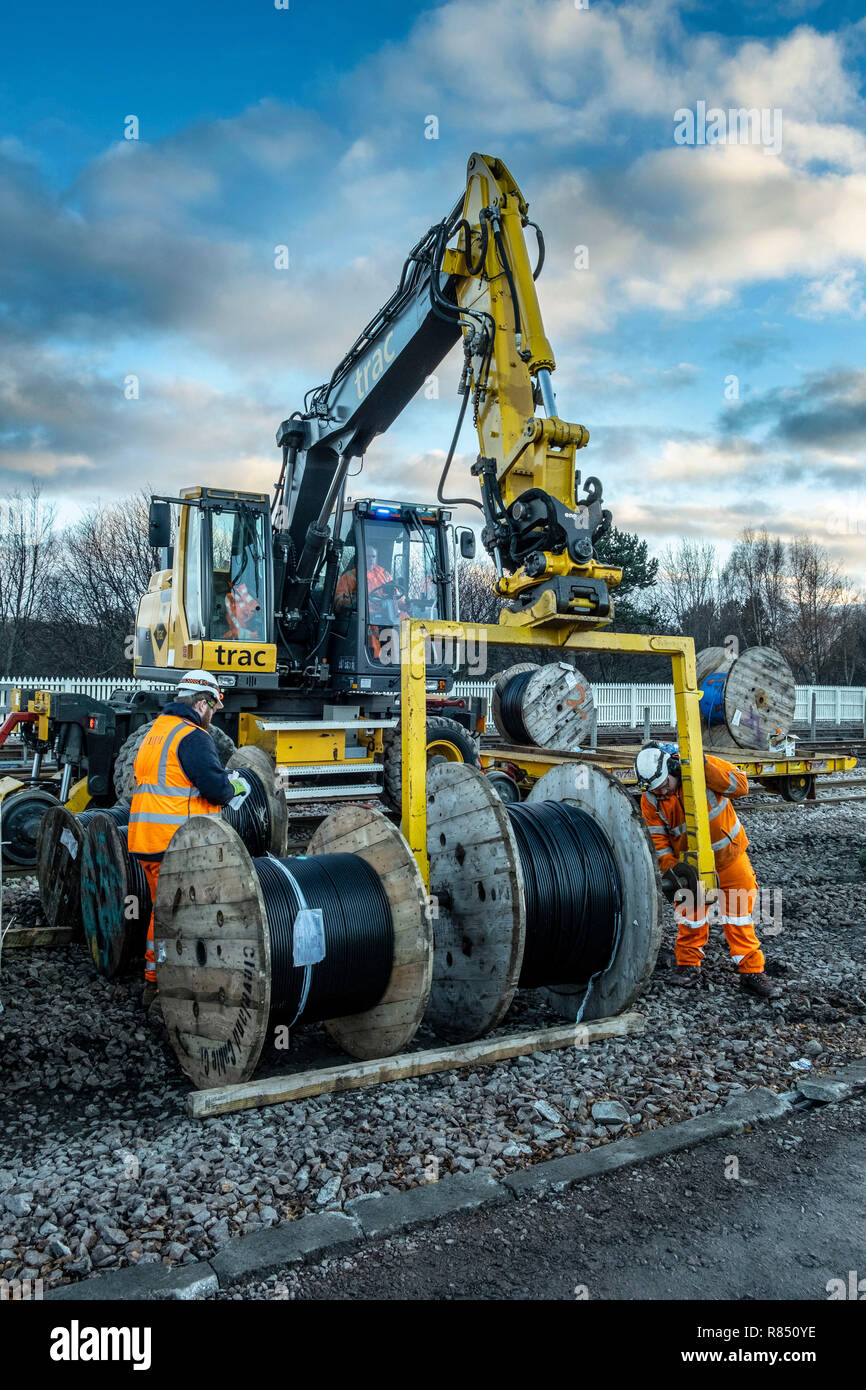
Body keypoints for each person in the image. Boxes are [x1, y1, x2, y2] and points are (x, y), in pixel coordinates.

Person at [128, 671, 247, 1009]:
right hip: (176, 846)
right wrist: (233, 787)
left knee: (162, 912)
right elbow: (214, 787)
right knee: (182, 918)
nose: (213, 716)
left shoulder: (155, 733)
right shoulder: (193, 736)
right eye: (213, 708)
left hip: (147, 840)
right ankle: (171, 991)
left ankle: (154, 984)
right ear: (200, 703)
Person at [634, 741, 781, 999]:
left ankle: (752, 971)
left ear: (673, 767)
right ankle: (688, 965)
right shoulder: (651, 800)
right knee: (690, 916)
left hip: (729, 858)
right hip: (690, 867)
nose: (662, 792)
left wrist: (705, 768)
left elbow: (741, 786)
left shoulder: (700, 766)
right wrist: (674, 871)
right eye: (655, 790)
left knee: (739, 917)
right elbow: (658, 843)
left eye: (664, 785)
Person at [335, 544, 406, 659]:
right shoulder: (351, 576)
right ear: (361, 557)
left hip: (386, 616)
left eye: (373, 556)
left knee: (406, 620)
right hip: (365, 617)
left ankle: (404, 658)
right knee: (371, 626)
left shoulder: (384, 575)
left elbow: (397, 596)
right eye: (368, 556)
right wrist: (357, 601)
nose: (371, 559)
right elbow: (339, 601)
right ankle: (376, 659)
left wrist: (405, 605)